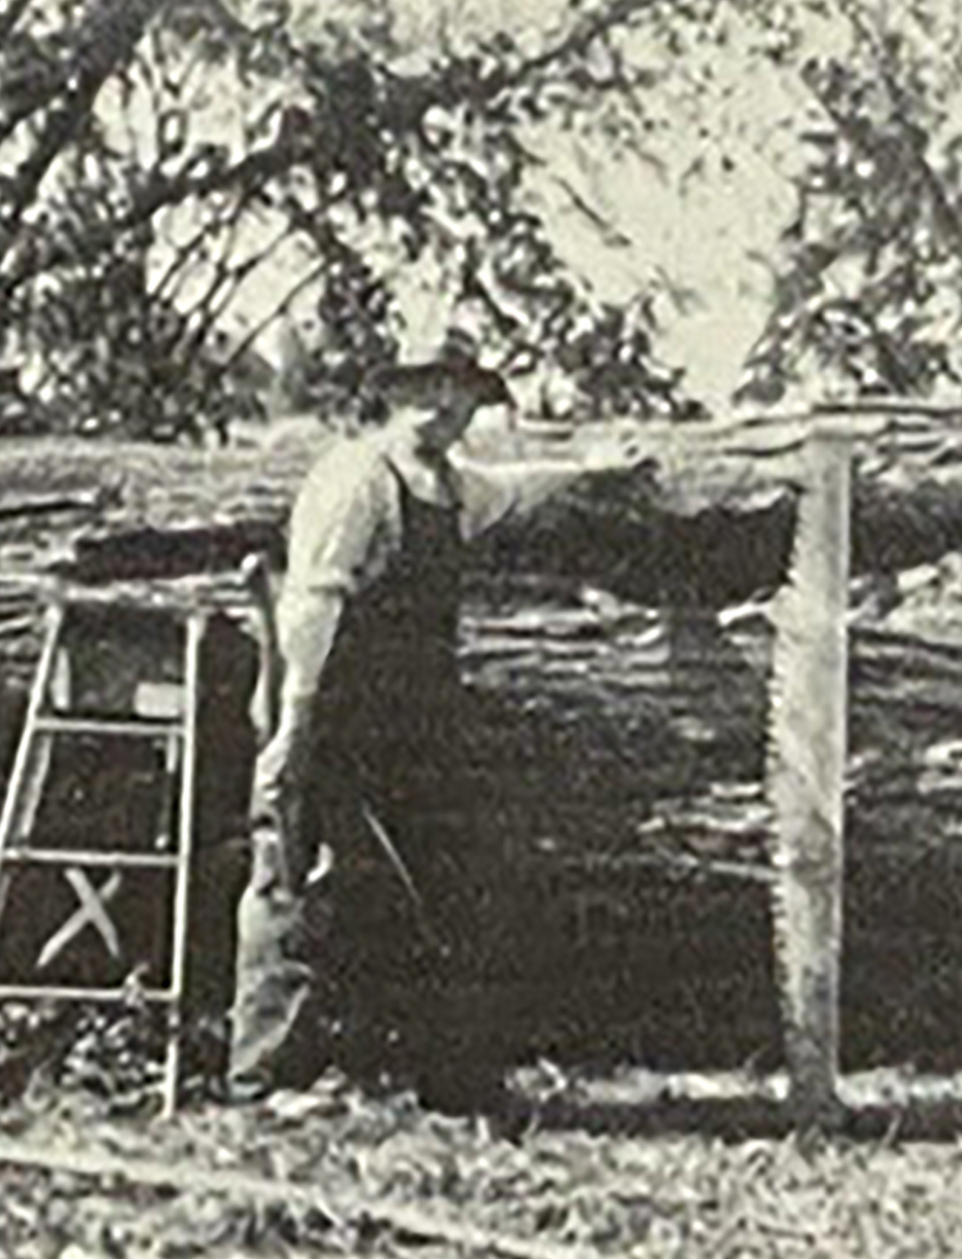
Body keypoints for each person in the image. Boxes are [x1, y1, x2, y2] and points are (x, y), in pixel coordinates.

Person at [231, 332, 652, 1113]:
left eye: (457, 391)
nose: (441, 404)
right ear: (390, 395)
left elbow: (519, 488)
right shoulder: (357, 479)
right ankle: (268, 1081)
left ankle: (448, 1078)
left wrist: (597, 472)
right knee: (301, 880)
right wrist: (294, 726)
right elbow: (311, 605)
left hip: (418, 723)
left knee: (445, 884)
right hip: (335, 711)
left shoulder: (453, 488)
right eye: (422, 387)